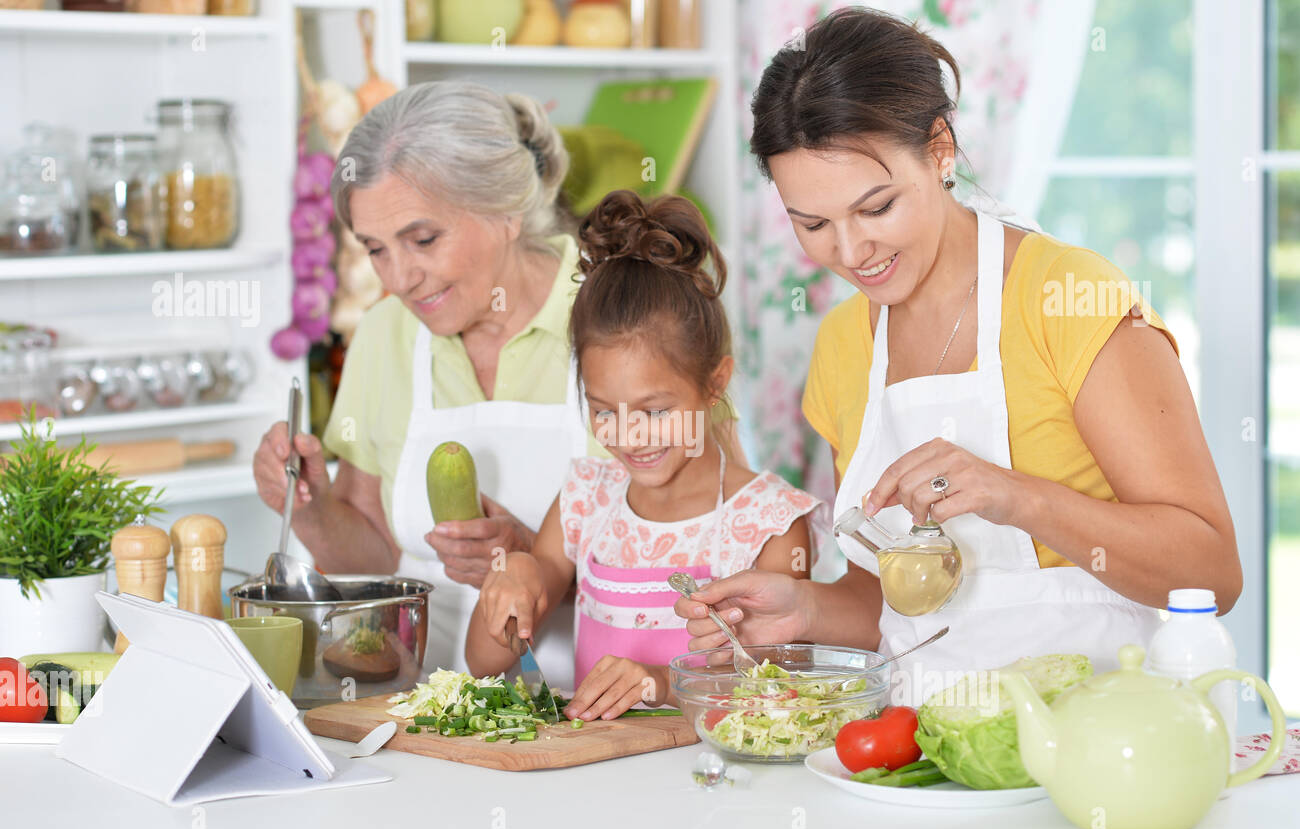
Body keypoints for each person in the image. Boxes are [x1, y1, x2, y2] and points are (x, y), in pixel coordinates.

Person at [673, 8, 1242, 706]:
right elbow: (892, 599)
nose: (851, 254)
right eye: (812, 224)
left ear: (939, 148)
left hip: (1098, 740)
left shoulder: (1067, 295)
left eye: (876, 207)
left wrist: (1017, 496)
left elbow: (1212, 572)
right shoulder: (842, 349)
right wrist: (805, 609)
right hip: (923, 744)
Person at [253, 82, 742, 685]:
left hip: (602, 706)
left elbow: (720, 562)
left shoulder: (626, 317)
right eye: (375, 249)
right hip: (427, 704)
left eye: (424, 239)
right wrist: (307, 504)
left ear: (507, 211)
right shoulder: (385, 334)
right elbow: (377, 556)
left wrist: (539, 559)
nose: (400, 277)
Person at [467, 191, 827, 721]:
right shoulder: (585, 499)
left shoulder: (769, 524)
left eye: (655, 411)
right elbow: (484, 661)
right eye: (604, 410)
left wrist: (662, 684)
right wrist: (514, 574)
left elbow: (777, 684)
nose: (629, 436)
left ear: (714, 384)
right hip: (600, 783)